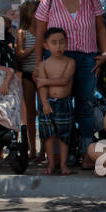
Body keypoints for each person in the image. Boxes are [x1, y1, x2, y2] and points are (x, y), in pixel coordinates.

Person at [32, 0, 106, 164]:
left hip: (86, 57)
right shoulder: (49, 1)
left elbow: (100, 27)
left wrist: (105, 53)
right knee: (58, 103)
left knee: (85, 104)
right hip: (57, 59)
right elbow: (40, 34)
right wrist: (39, 64)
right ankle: (58, 152)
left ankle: (86, 152)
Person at [34, 26, 76, 174]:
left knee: (64, 135)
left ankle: (63, 164)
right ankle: (51, 163)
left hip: (64, 102)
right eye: (54, 42)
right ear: (46, 45)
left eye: (61, 42)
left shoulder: (70, 62)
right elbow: (41, 87)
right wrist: (44, 102)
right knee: (48, 135)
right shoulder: (43, 64)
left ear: (66, 43)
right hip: (48, 103)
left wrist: (46, 81)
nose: (58, 46)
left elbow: (65, 80)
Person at [14, 0, 42, 157]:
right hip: (27, 75)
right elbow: (20, 55)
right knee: (31, 114)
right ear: (30, 15)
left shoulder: (43, 31)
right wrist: (35, 46)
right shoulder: (22, 33)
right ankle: (32, 148)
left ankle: (43, 149)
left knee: (44, 113)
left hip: (41, 75)